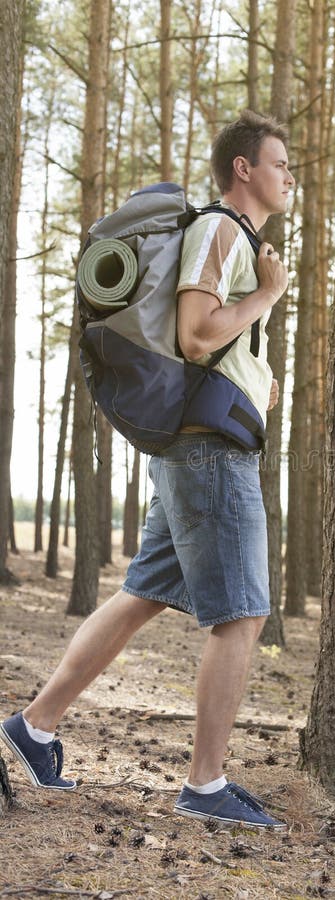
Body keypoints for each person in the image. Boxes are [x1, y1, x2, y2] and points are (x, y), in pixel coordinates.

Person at [0, 110, 294, 831]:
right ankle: (205, 784)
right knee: (243, 613)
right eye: (280, 164)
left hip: (195, 447)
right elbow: (196, 337)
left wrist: (258, 374)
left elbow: (212, 343)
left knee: (141, 595)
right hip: (209, 456)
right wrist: (266, 296)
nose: (290, 177)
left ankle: (34, 729)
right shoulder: (222, 230)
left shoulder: (236, 239)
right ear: (243, 170)